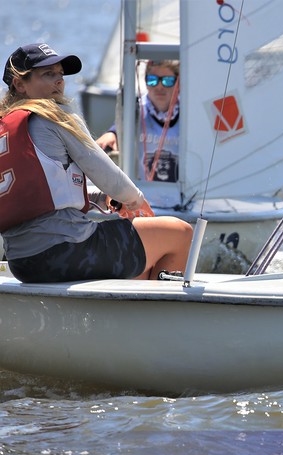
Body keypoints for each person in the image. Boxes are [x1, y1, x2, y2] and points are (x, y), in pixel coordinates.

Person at [0, 43, 192, 282]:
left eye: (60, 74)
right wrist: (136, 201)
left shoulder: (6, 128)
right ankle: (160, 317)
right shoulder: (57, 117)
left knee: (140, 265)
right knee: (180, 232)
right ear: (20, 84)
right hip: (68, 250)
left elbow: (47, 189)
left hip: (22, 262)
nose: (59, 81)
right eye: (48, 74)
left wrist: (101, 198)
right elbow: (106, 173)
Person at [95, 60, 180, 183]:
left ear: (178, 83)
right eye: (152, 80)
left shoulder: (190, 113)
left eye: (168, 81)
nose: (159, 86)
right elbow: (119, 127)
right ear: (145, 82)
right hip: (142, 196)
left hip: (182, 196)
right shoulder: (134, 110)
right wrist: (112, 133)